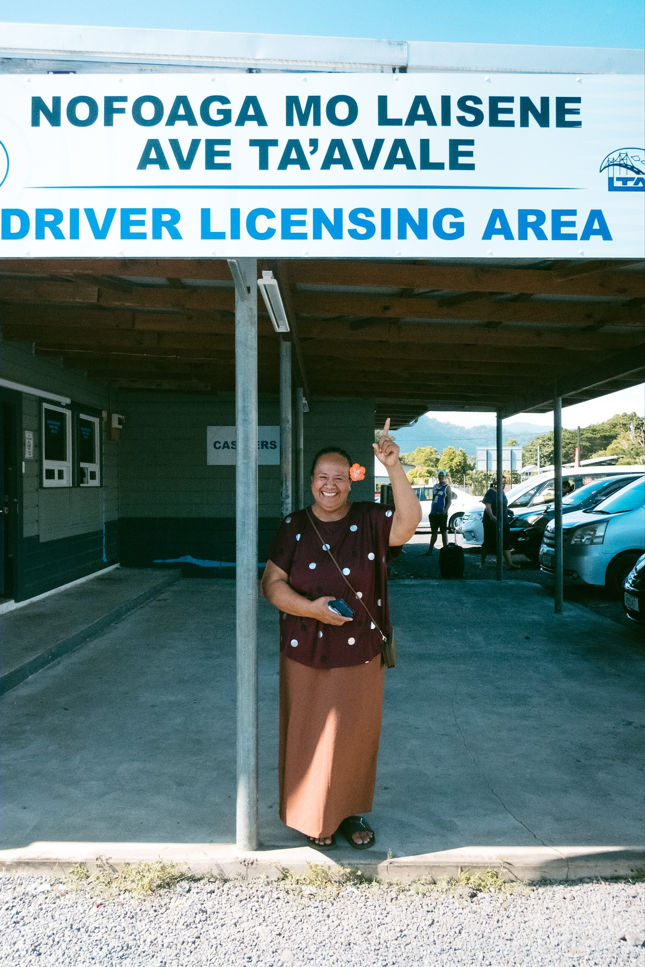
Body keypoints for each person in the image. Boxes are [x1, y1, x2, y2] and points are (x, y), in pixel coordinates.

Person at [260, 419, 421, 850]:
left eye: (338, 478)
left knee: (354, 736)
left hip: (360, 650)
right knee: (307, 734)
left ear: (351, 482)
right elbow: (271, 585)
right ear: (311, 481)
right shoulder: (293, 525)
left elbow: (408, 524)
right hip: (304, 648)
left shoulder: (370, 519)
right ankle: (313, 816)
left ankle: (348, 813)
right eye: (321, 477)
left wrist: (393, 467)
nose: (329, 486)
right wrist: (311, 609)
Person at [480, 477, 519, 568]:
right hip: (491, 521)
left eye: (504, 483)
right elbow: (488, 506)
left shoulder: (502, 492)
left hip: (503, 520)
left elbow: (503, 504)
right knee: (488, 542)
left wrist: (508, 510)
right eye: (502, 482)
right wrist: (492, 516)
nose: (503, 484)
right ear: (495, 483)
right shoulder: (490, 492)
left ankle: (509, 564)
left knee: (505, 542)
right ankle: (482, 562)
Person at [425, 469, 452, 555]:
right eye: (439, 475)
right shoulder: (435, 486)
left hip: (441, 513)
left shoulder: (447, 487)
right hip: (433, 513)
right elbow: (433, 499)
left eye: (442, 475)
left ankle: (445, 550)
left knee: (443, 532)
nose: (440, 477)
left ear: (444, 476)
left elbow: (449, 501)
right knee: (434, 532)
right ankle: (430, 550)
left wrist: (444, 511)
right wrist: (431, 511)